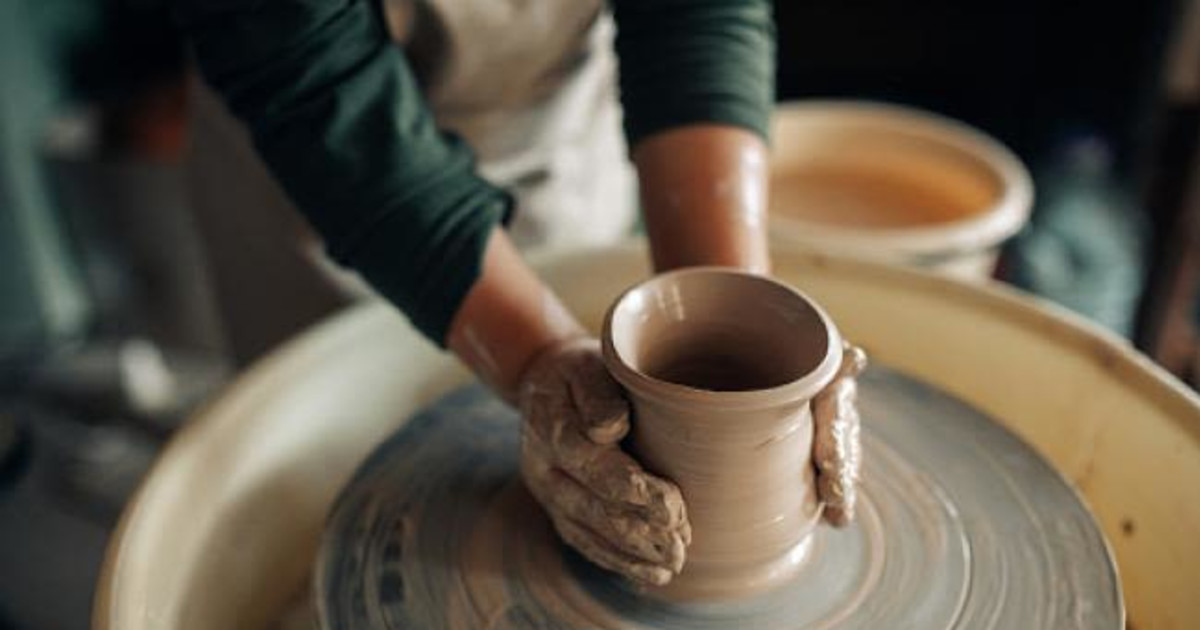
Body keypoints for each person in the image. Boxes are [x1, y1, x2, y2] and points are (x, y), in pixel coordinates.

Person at [174, 0, 856, 586]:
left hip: (550, 132)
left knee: (600, 425)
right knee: (331, 492)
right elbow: (310, 77)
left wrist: (735, 312)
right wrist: (538, 361)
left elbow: (694, 16)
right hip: (331, 177)